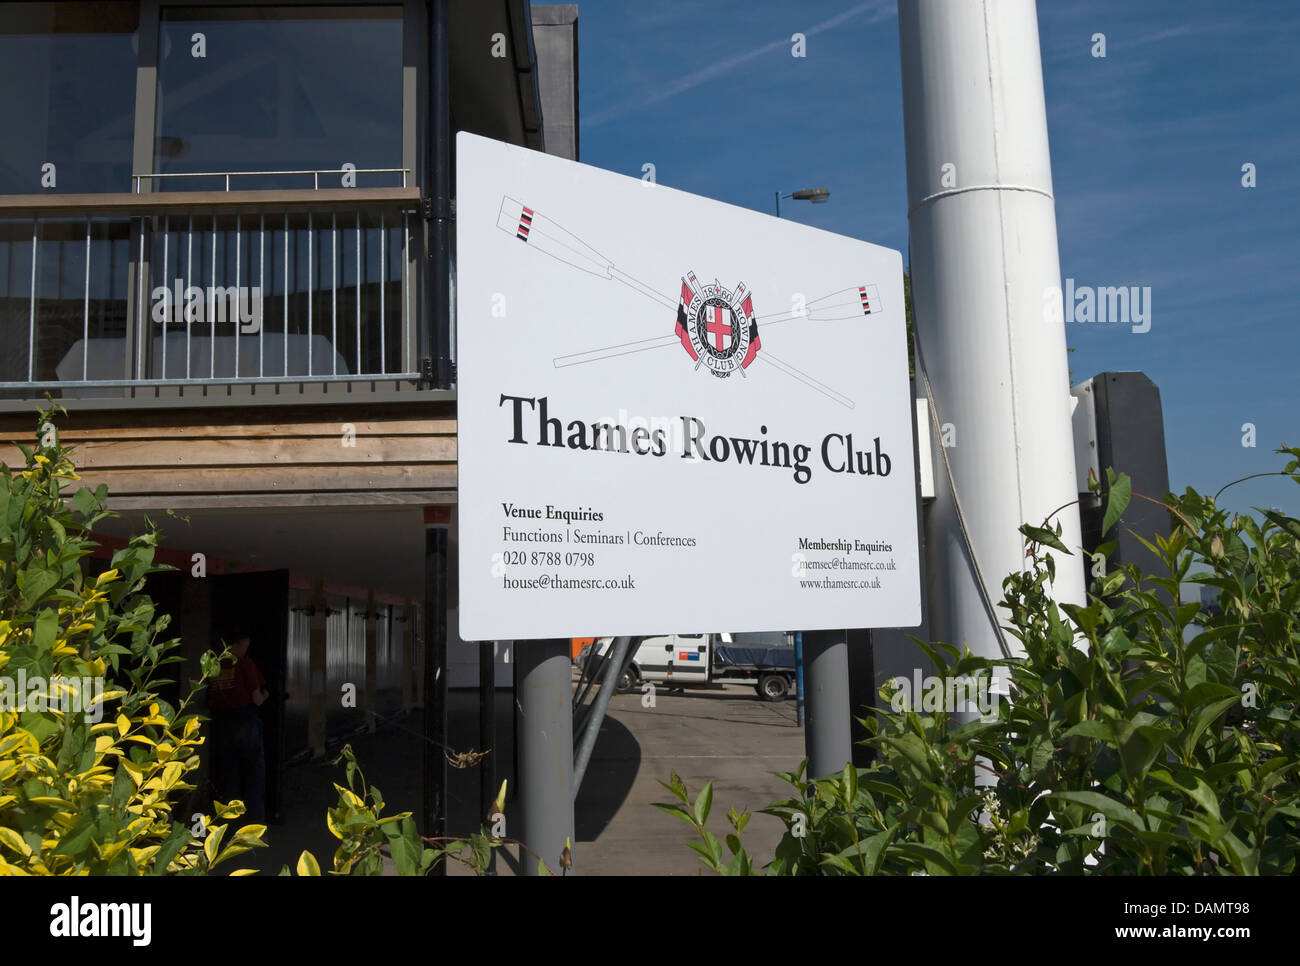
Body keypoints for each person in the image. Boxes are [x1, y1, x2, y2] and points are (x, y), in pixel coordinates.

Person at [207, 627, 268, 824]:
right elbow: (257, 699)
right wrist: (268, 694)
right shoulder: (245, 664)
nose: (245, 650)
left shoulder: (214, 665)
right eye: (244, 645)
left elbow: (210, 698)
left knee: (228, 775)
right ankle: (255, 824)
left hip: (223, 722)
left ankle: (227, 825)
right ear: (235, 644)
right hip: (246, 720)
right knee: (254, 774)